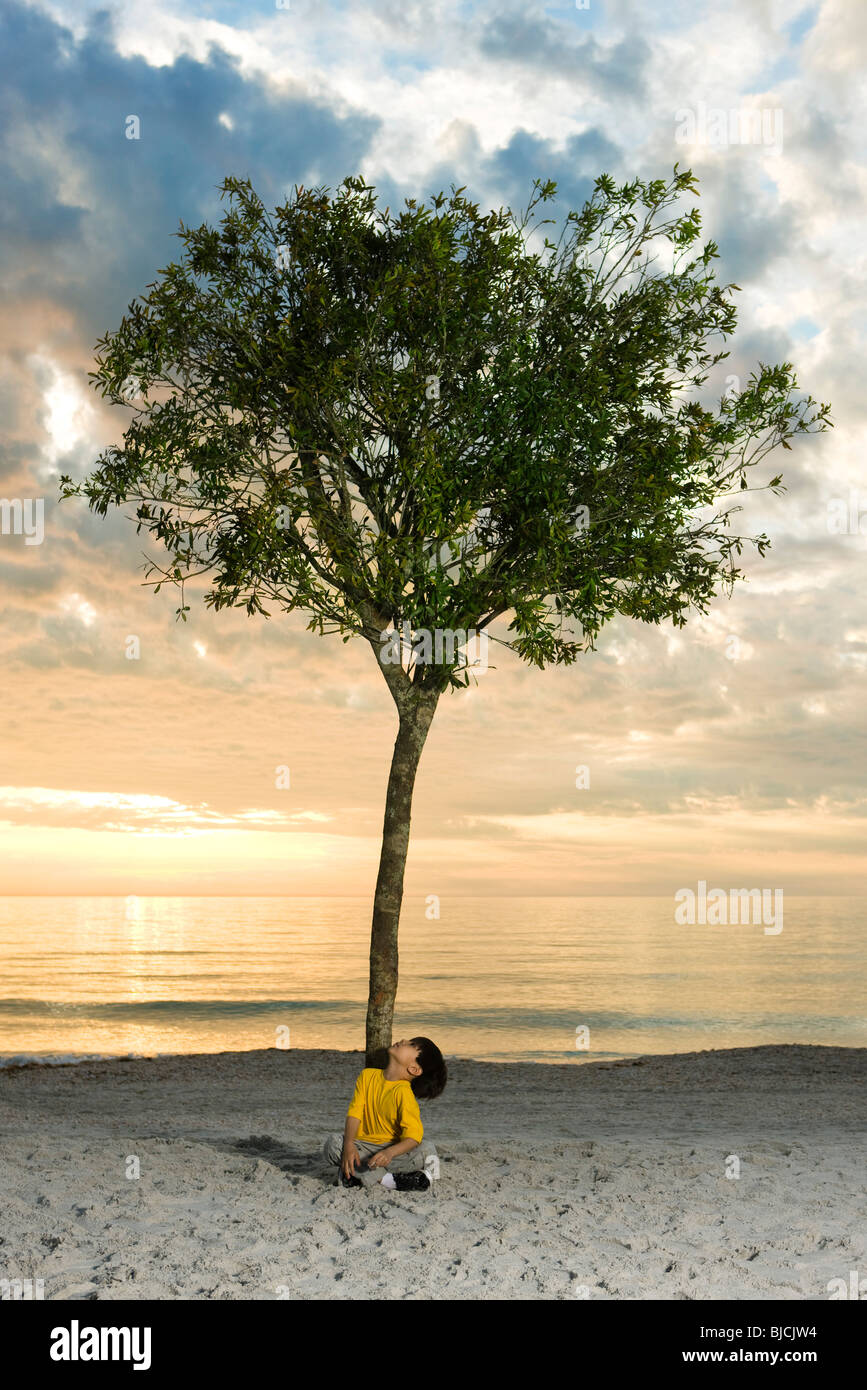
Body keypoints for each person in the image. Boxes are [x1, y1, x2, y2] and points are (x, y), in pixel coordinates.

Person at [322, 1037, 446, 1191]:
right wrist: (348, 1144)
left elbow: (413, 1138)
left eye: (412, 1045)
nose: (403, 1040)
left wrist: (389, 1153)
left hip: (393, 1154)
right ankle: (388, 1180)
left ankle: (359, 1176)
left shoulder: (404, 1093)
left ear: (414, 1069)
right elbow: (354, 1114)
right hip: (362, 1147)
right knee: (332, 1144)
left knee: (428, 1149)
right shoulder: (367, 1076)